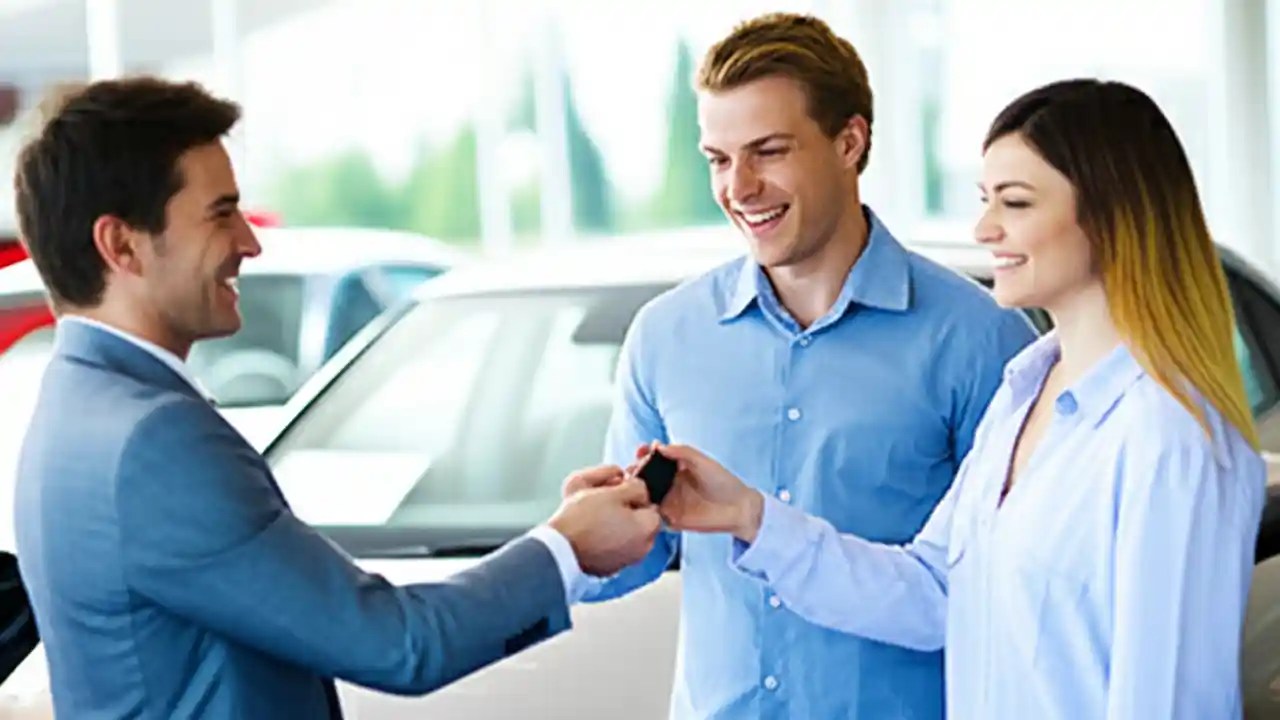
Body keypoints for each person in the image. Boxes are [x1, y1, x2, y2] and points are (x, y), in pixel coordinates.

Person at [11, 77, 661, 719]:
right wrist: (567, 547)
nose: (249, 241)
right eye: (220, 213)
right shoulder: (154, 439)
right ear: (121, 244)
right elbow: (401, 644)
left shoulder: (72, 408)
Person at [654, 79, 1267, 719]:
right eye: (985, 200)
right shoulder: (1022, 397)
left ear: (1113, 215)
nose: (984, 228)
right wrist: (749, 516)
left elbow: (1166, 705)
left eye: (1017, 203)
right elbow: (935, 590)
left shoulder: (1172, 437)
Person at [568, 12, 1037, 720]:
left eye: (769, 151)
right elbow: (636, 556)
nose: (740, 187)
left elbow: (1006, 589)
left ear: (849, 141)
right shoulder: (667, 337)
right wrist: (581, 538)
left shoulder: (979, 339)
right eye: (719, 159)